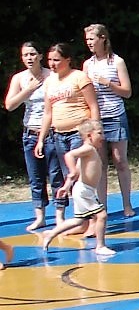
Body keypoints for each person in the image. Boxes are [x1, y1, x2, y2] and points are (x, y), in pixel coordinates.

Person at [6, 42, 63, 232]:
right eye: (25, 55)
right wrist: (28, 90)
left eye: (32, 54)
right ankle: (40, 217)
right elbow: (9, 105)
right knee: (35, 177)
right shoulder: (19, 78)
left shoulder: (51, 75)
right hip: (30, 132)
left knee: (56, 175)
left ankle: (60, 216)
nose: (29, 58)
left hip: (52, 132)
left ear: (40, 56)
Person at [36, 119, 113, 257]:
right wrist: (71, 170)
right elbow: (69, 155)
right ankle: (100, 246)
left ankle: (51, 234)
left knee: (78, 220)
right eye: (100, 133)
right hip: (84, 191)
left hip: (82, 189)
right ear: (89, 135)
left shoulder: (89, 152)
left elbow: (76, 173)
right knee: (102, 215)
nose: (103, 137)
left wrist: (66, 187)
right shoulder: (88, 149)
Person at [34, 44, 101, 199]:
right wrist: (41, 140)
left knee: (81, 176)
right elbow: (47, 113)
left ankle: (91, 213)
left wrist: (95, 132)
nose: (52, 64)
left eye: (56, 60)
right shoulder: (49, 81)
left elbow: (93, 106)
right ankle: (83, 213)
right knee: (69, 176)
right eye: (50, 60)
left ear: (68, 60)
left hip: (79, 133)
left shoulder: (79, 77)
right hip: (59, 135)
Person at [82, 24, 135, 217]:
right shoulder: (88, 64)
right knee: (100, 163)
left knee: (120, 160)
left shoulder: (117, 62)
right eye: (86, 39)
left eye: (92, 39)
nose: (88, 42)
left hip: (116, 115)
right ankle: (101, 207)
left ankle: (127, 204)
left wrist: (108, 84)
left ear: (103, 38)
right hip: (97, 118)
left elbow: (127, 92)